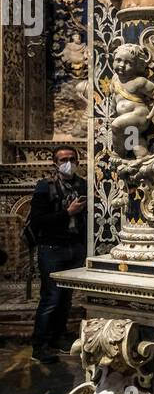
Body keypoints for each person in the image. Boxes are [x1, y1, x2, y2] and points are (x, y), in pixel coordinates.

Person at [30, 147, 87, 363]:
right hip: (52, 249)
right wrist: (67, 213)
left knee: (65, 298)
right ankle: (40, 345)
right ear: (55, 163)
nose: (69, 163)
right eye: (64, 160)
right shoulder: (45, 187)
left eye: (72, 159)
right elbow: (38, 220)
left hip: (74, 247)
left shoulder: (81, 184)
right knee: (51, 298)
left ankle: (59, 337)